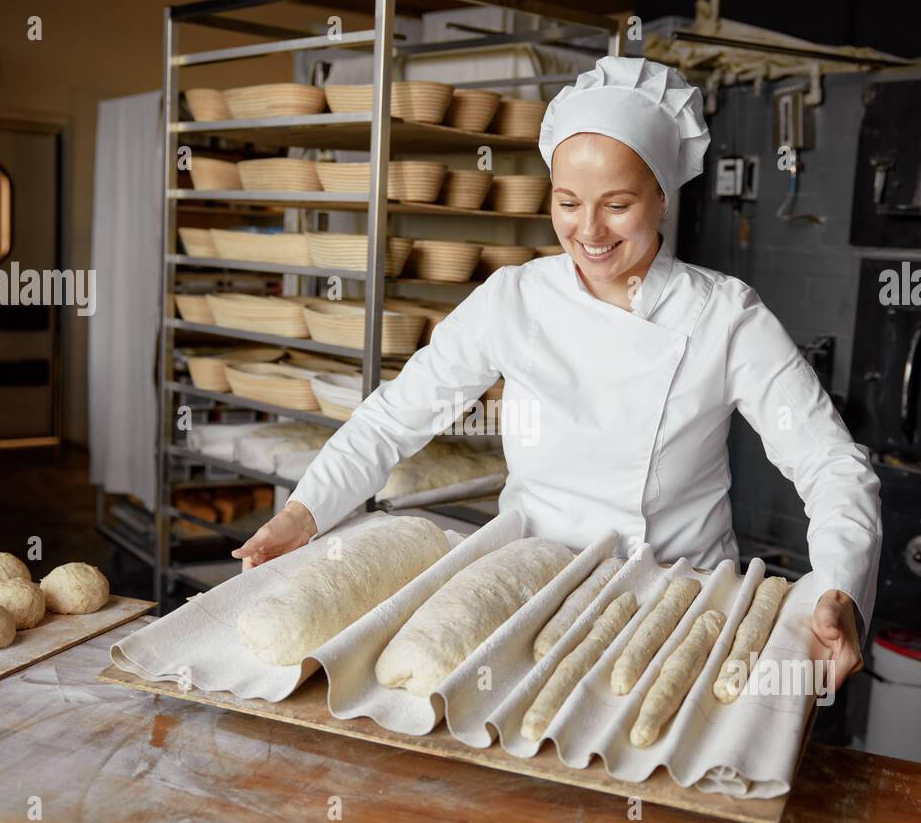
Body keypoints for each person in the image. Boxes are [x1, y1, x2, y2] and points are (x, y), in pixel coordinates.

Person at [234, 56, 882, 691]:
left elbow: (830, 464)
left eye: (618, 203)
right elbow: (394, 417)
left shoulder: (724, 317)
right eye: (568, 202)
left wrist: (839, 589)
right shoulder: (514, 299)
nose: (589, 230)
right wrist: (305, 510)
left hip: (675, 604)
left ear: (662, 193)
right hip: (525, 591)